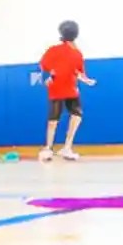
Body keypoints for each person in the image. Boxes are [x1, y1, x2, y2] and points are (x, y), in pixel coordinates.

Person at [39, 20, 95, 161]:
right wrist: (86, 80)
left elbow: (43, 66)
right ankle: (63, 147)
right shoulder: (76, 53)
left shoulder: (55, 50)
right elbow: (79, 73)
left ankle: (51, 148)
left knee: (54, 119)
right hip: (65, 88)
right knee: (74, 116)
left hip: (60, 88)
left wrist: (47, 77)